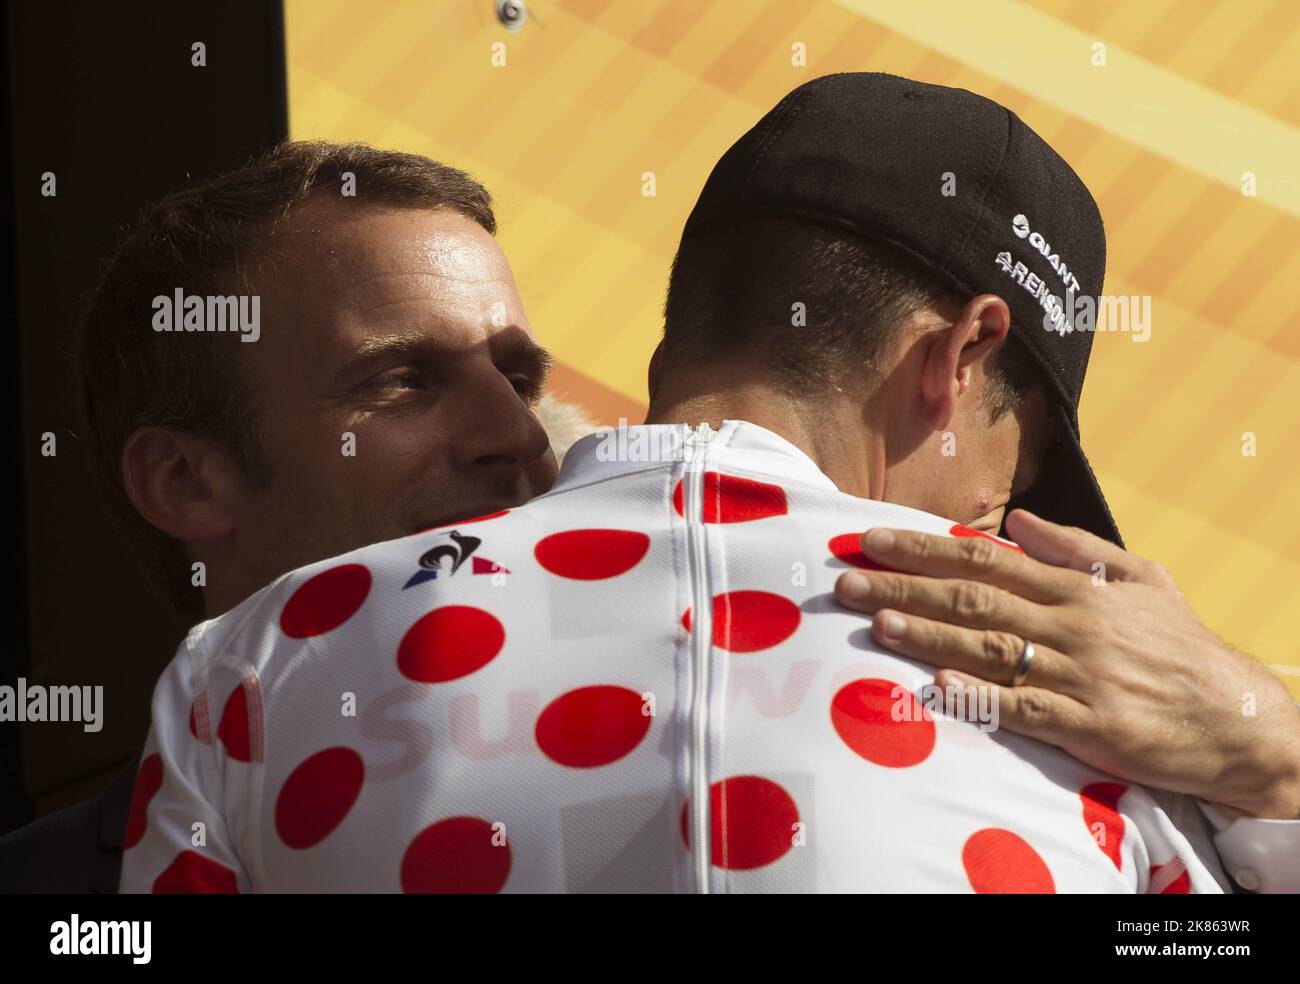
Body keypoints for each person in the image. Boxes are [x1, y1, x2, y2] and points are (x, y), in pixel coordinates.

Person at [117, 74, 1294, 892]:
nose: (1000, 517)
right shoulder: (1101, 709)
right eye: (1020, 458)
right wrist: (1274, 757)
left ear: (684, 322)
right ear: (957, 358)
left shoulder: (245, 675)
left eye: (515, 375)